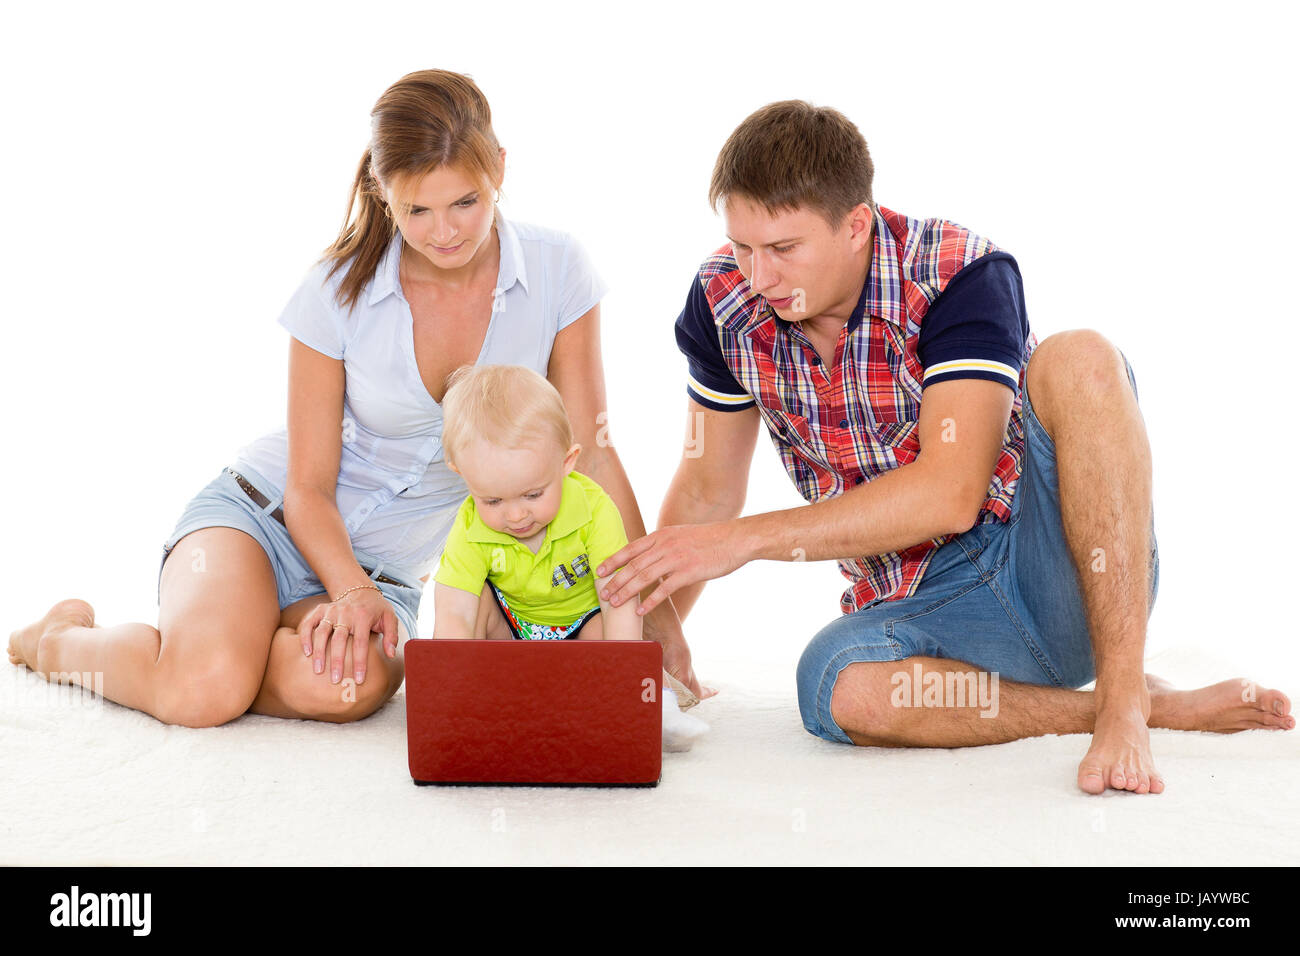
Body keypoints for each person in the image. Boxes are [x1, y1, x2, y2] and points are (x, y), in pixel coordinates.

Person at [595, 99, 1294, 794]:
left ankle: (1122, 693)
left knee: (1081, 355)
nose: (759, 277)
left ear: (855, 225)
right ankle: (1133, 704)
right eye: (743, 247)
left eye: (783, 249)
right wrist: (652, 637)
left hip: (1057, 570)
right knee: (834, 687)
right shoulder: (724, 304)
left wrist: (743, 542)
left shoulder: (956, 270)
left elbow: (951, 494)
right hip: (936, 618)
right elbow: (706, 492)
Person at [7, 68, 705, 726]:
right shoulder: (335, 291)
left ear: (498, 165)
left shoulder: (558, 271)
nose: (446, 231)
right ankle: (59, 642)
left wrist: (658, 615)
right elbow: (308, 486)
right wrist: (348, 592)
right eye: (417, 210)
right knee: (202, 694)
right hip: (266, 520)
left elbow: (594, 455)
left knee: (346, 688)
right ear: (381, 192)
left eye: (466, 201)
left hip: (384, 570)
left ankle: (231, 648)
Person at [431, 363, 640, 643]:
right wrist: (449, 671)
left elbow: (619, 594)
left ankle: (585, 676)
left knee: (609, 626)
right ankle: (482, 678)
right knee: (474, 600)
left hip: (581, 623)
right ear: (463, 475)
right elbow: (454, 612)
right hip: (511, 624)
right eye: (492, 501)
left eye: (533, 495)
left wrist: (621, 666)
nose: (516, 515)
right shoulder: (471, 526)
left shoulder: (594, 509)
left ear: (566, 462)